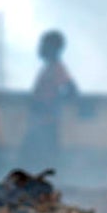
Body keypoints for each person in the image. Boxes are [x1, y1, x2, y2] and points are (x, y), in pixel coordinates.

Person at [21, 30, 78, 170]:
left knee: (41, 160)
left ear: (53, 49)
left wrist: (50, 105)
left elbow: (72, 90)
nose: (40, 48)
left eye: (44, 45)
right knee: (31, 159)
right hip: (39, 123)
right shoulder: (48, 68)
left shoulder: (57, 68)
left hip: (47, 124)